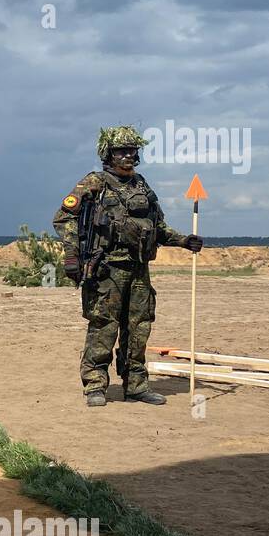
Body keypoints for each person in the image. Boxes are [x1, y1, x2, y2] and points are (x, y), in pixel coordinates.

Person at [52, 126, 203, 407]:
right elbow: (63, 218)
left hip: (138, 270)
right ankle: (95, 386)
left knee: (139, 328)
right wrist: (71, 254)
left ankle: (136, 385)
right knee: (104, 327)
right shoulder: (94, 183)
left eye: (133, 150)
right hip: (106, 270)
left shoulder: (142, 186)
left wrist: (183, 240)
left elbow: (157, 228)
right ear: (108, 154)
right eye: (122, 151)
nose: (129, 156)